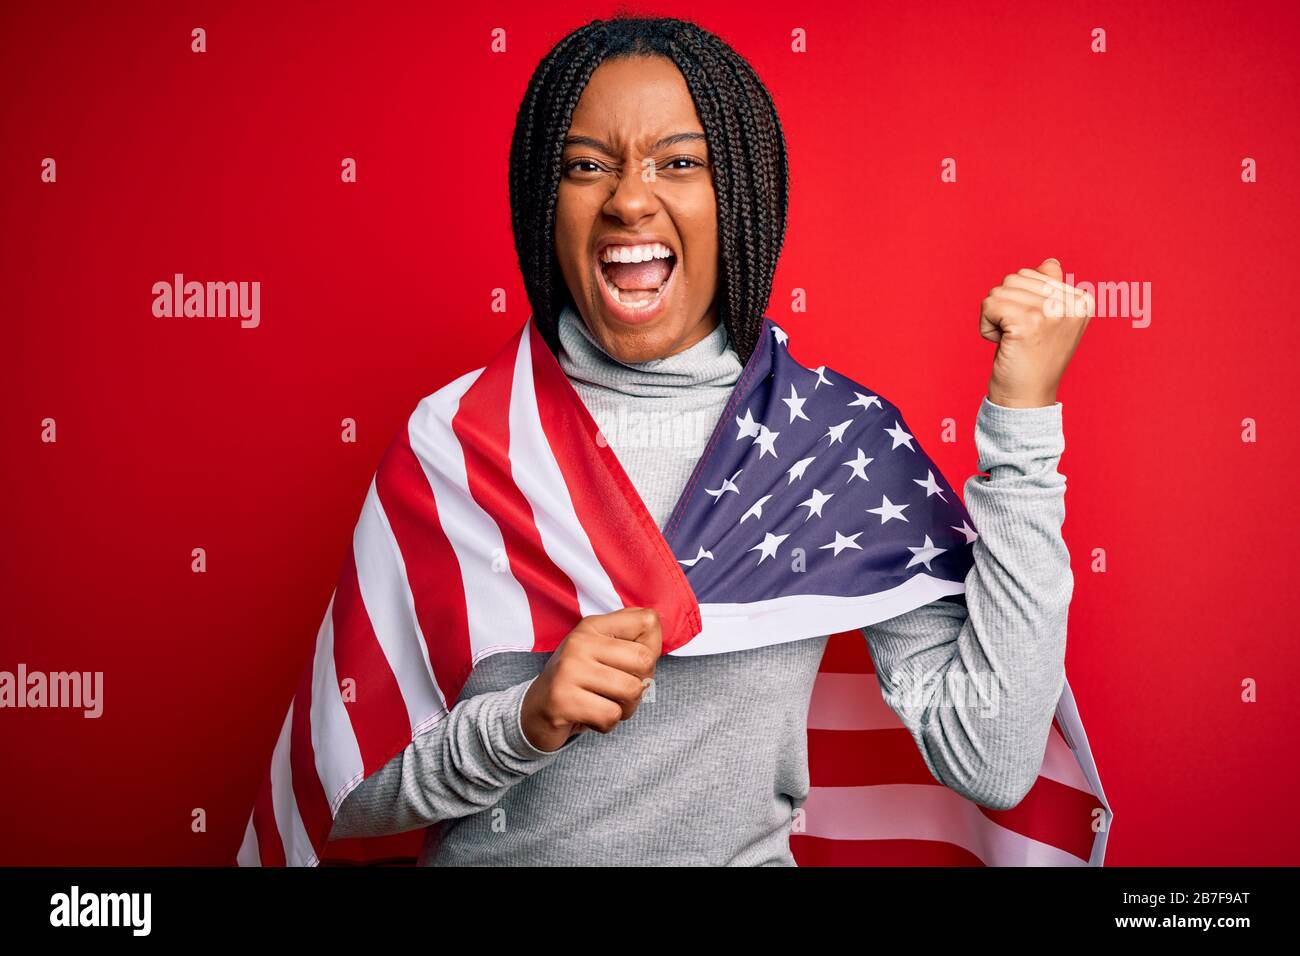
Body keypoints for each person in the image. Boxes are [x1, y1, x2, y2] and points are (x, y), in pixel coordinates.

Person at [328, 15, 1092, 865]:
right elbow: (349, 793)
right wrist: (524, 722)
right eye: (586, 166)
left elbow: (990, 755)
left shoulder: (831, 448)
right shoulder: (458, 442)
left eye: (680, 162)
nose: (627, 199)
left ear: (741, 196)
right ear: (542, 203)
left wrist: (1023, 422)